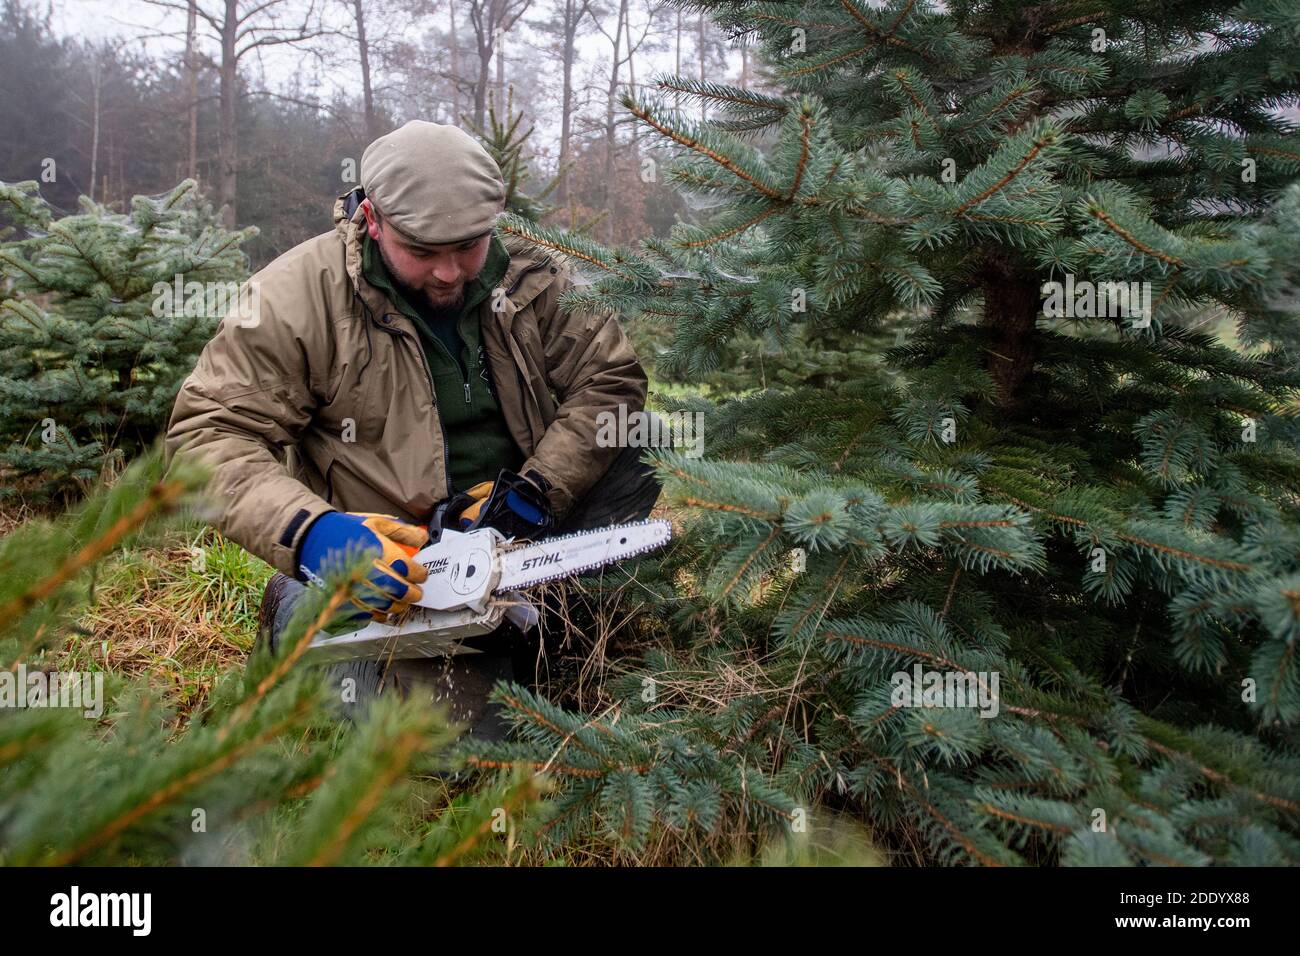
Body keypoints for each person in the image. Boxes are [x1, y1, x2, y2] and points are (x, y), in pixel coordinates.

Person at [164, 120, 660, 740]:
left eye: (468, 247)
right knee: (458, 751)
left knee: (637, 449)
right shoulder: (297, 298)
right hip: (392, 560)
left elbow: (609, 382)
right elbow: (208, 437)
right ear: (372, 219)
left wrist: (534, 492)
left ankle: (552, 623)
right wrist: (312, 533)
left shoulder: (532, 278)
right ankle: (302, 607)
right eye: (423, 252)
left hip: (515, 527)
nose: (450, 273)